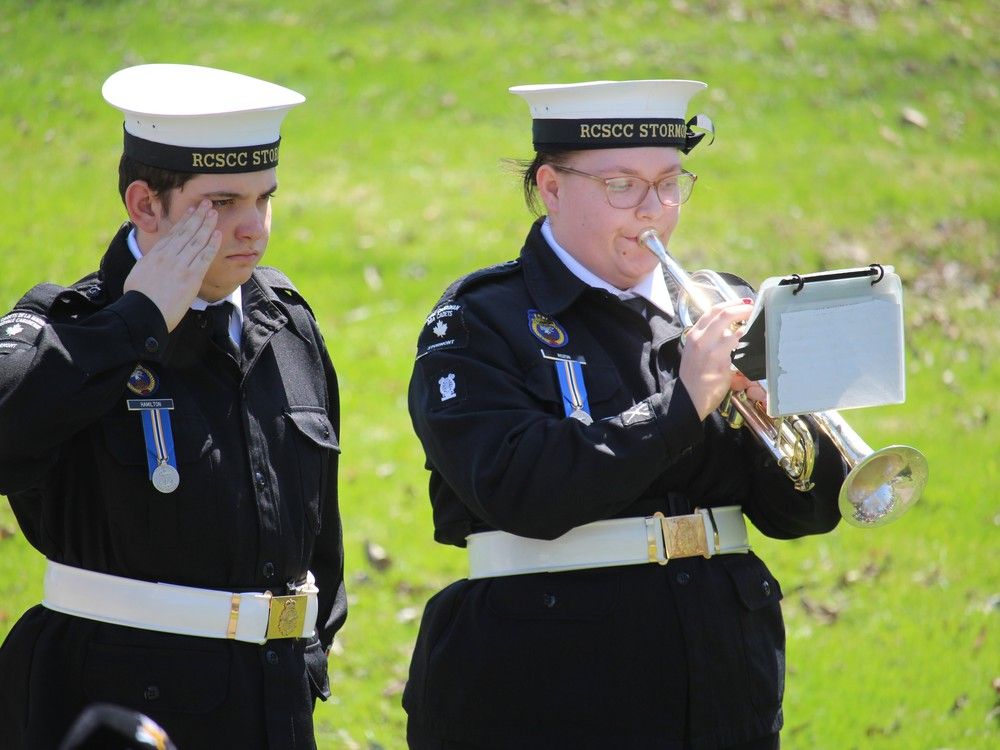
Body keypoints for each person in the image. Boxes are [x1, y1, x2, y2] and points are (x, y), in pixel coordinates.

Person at [402, 79, 850, 749]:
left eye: (670, 183)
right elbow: (521, 489)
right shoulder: (479, 319)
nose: (654, 210)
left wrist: (793, 429)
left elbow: (801, 516)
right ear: (551, 186)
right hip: (546, 690)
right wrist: (682, 405)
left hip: (725, 682)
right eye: (622, 186)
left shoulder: (720, 305)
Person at [0, 64, 345, 749]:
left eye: (264, 199)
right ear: (145, 205)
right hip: (115, 706)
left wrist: (308, 655)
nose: (253, 229)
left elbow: (320, 529)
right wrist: (138, 320)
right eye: (221, 203)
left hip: (271, 704)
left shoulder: (287, 322)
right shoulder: (68, 325)